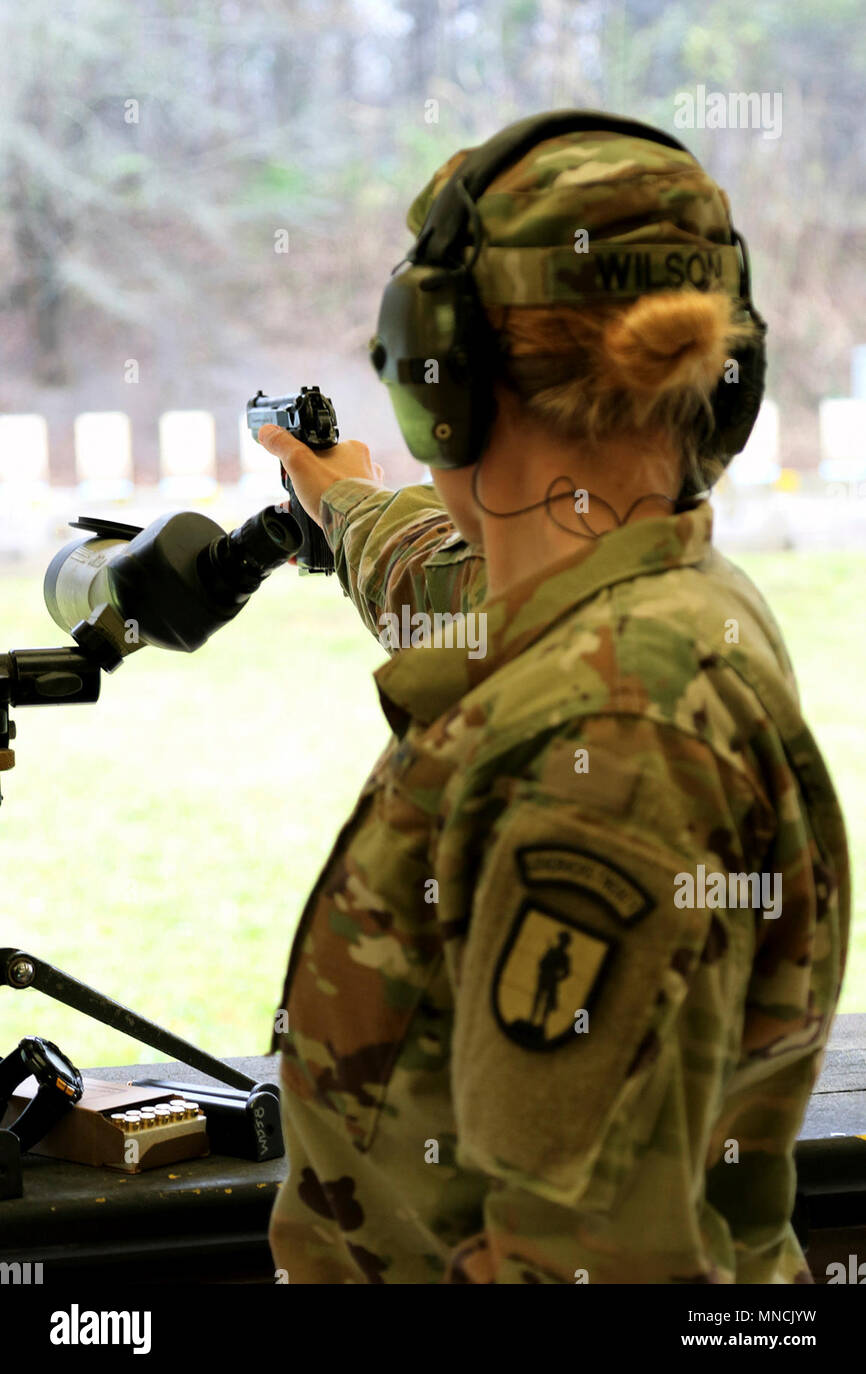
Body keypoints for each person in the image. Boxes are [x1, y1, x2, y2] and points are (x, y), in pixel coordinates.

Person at [260, 116, 850, 1284]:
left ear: (444, 380)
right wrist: (339, 497)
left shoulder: (607, 744)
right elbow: (456, 585)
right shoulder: (648, 593)